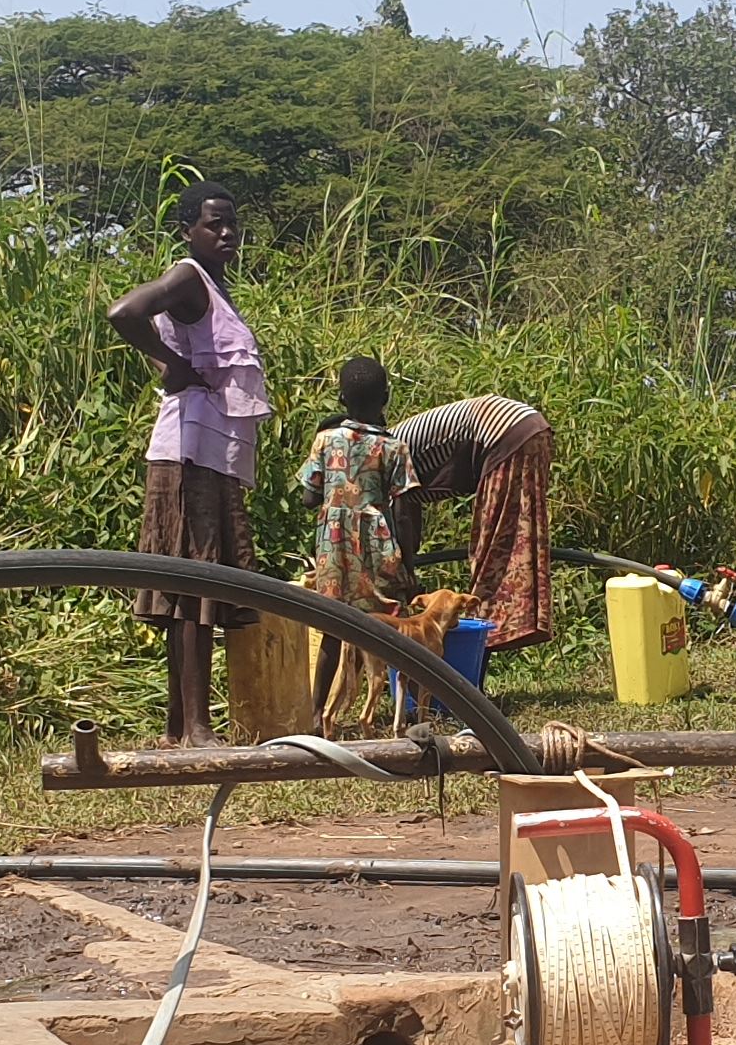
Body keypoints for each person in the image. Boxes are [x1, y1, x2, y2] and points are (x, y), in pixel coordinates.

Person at [104, 180, 274, 743]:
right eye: (213, 224)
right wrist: (169, 364)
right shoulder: (187, 278)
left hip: (211, 456)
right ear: (189, 231)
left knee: (198, 588)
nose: (226, 233)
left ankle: (184, 723)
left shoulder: (215, 288)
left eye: (231, 223)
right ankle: (197, 727)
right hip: (188, 453)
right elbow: (125, 311)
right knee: (193, 585)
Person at [294, 355, 421, 712]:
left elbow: (308, 497)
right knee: (390, 625)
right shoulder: (394, 448)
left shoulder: (326, 440)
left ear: (340, 400)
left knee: (332, 629)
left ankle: (318, 714)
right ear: (386, 398)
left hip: (333, 546)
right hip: (377, 544)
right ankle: (406, 709)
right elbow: (404, 512)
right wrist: (408, 564)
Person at [390, 392, 554, 654]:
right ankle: (493, 641)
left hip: (504, 434)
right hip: (530, 428)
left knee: (493, 555)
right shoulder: (397, 456)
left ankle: (479, 653)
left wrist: (407, 572)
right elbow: (408, 525)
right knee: (512, 549)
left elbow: (401, 521)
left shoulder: (385, 453)